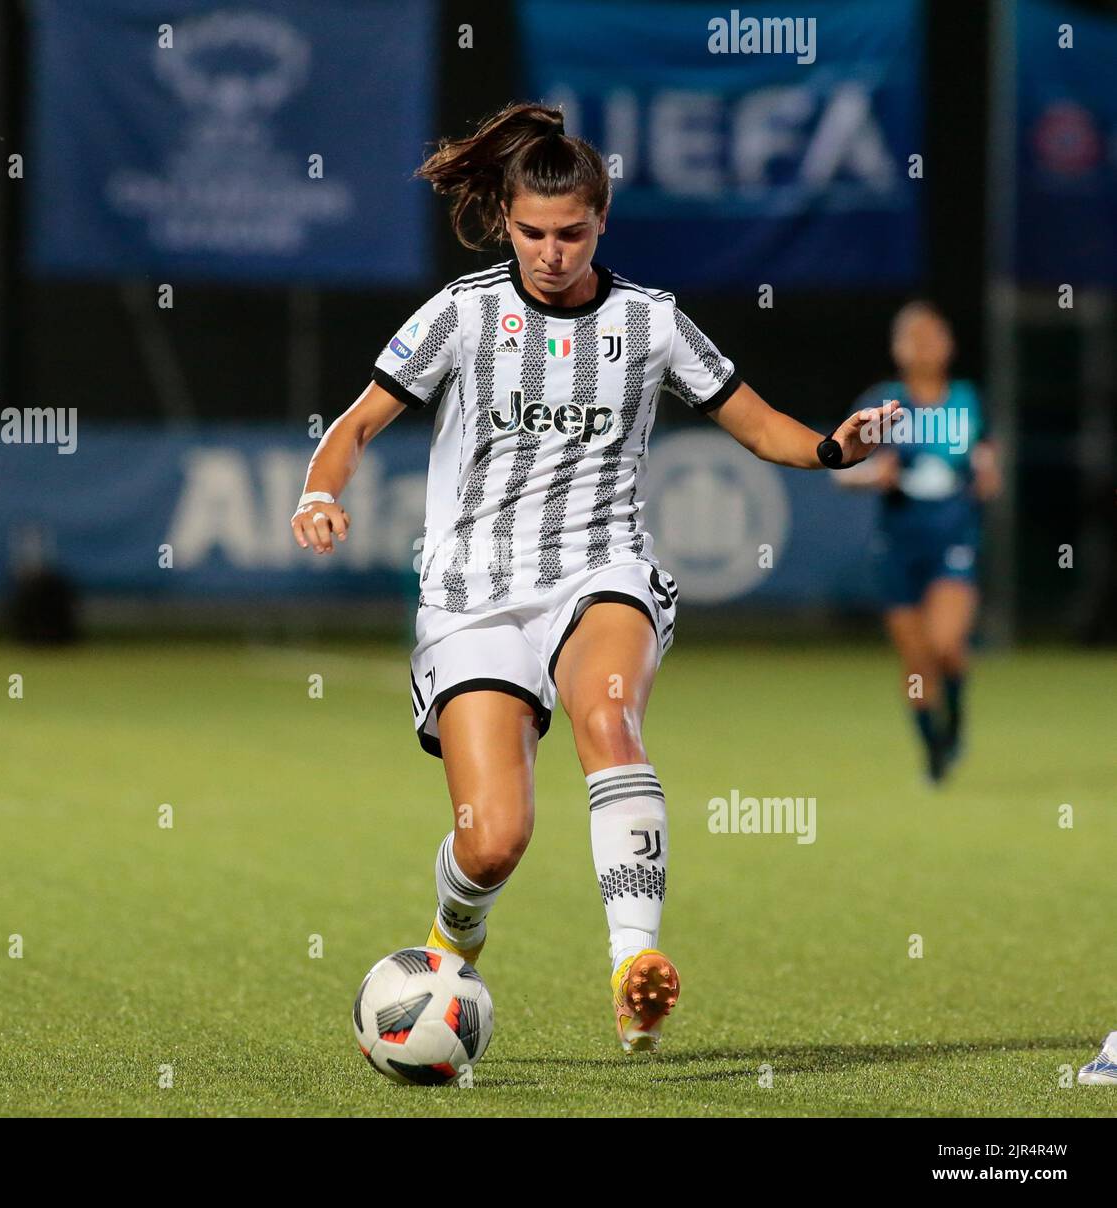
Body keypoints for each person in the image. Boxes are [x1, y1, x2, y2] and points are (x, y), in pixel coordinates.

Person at [290, 102, 895, 1053]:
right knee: (493, 839)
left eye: (572, 233)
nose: (552, 251)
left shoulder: (651, 324)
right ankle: (456, 935)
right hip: (472, 595)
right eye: (533, 232)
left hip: (599, 571)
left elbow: (754, 421)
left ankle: (632, 968)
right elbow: (357, 423)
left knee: (609, 718)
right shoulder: (464, 313)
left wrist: (830, 447)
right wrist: (318, 494)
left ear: (601, 222)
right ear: (506, 220)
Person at [836, 302, 1000, 782]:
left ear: (949, 345)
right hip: (898, 545)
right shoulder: (884, 403)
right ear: (897, 347)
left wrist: (990, 474)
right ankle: (933, 748)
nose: (924, 347)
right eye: (914, 338)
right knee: (915, 660)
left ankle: (956, 714)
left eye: (933, 337)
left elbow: (989, 456)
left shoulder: (968, 400)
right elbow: (839, 469)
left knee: (946, 643)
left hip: (954, 537)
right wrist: (870, 476)